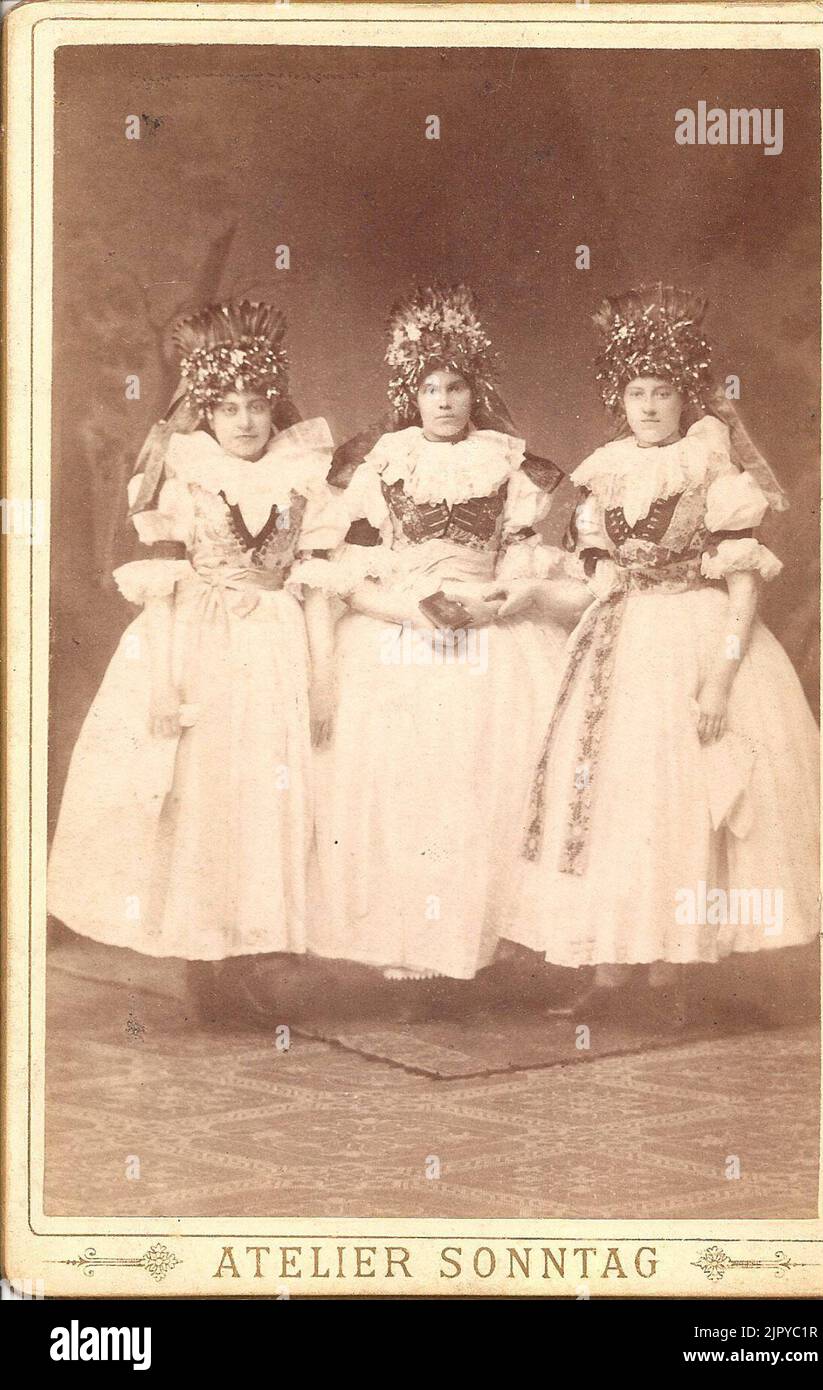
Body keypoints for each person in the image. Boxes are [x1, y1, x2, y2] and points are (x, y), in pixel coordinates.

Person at [496, 284, 820, 1024]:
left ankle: (674, 974)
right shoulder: (605, 469)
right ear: (621, 399)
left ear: (684, 399)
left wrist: (720, 679)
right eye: (636, 392)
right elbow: (594, 556)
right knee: (610, 800)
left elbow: (745, 589)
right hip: (619, 641)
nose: (648, 406)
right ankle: (609, 969)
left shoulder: (714, 471)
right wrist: (577, 578)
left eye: (663, 392)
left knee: (676, 800)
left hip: (696, 637)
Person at [48, 301, 340, 1022]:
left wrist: (324, 678)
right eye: (227, 407)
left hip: (275, 640)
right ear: (203, 414)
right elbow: (169, 587)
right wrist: (163, 683)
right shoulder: (184, 477)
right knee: (206, 794)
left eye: (256, 407)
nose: (243, 422)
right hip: (201, 641)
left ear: (275, 411)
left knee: (269, 793)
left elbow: (316, 586)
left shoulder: (304, 479)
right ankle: (204, 960)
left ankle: (256, 952)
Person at [298, 284, 565, 992]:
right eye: (430, 389)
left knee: (486, 783)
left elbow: (522, 554)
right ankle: (413, 957)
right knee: (406, 788)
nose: (444, 402)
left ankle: (475, 950)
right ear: (410, 396)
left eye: (456, 387)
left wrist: (498, 602)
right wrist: (404, 610)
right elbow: (343, 572)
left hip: (488, 628)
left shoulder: (506, 464)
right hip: (400, 629)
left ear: (475, 393)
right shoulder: (383, 463)